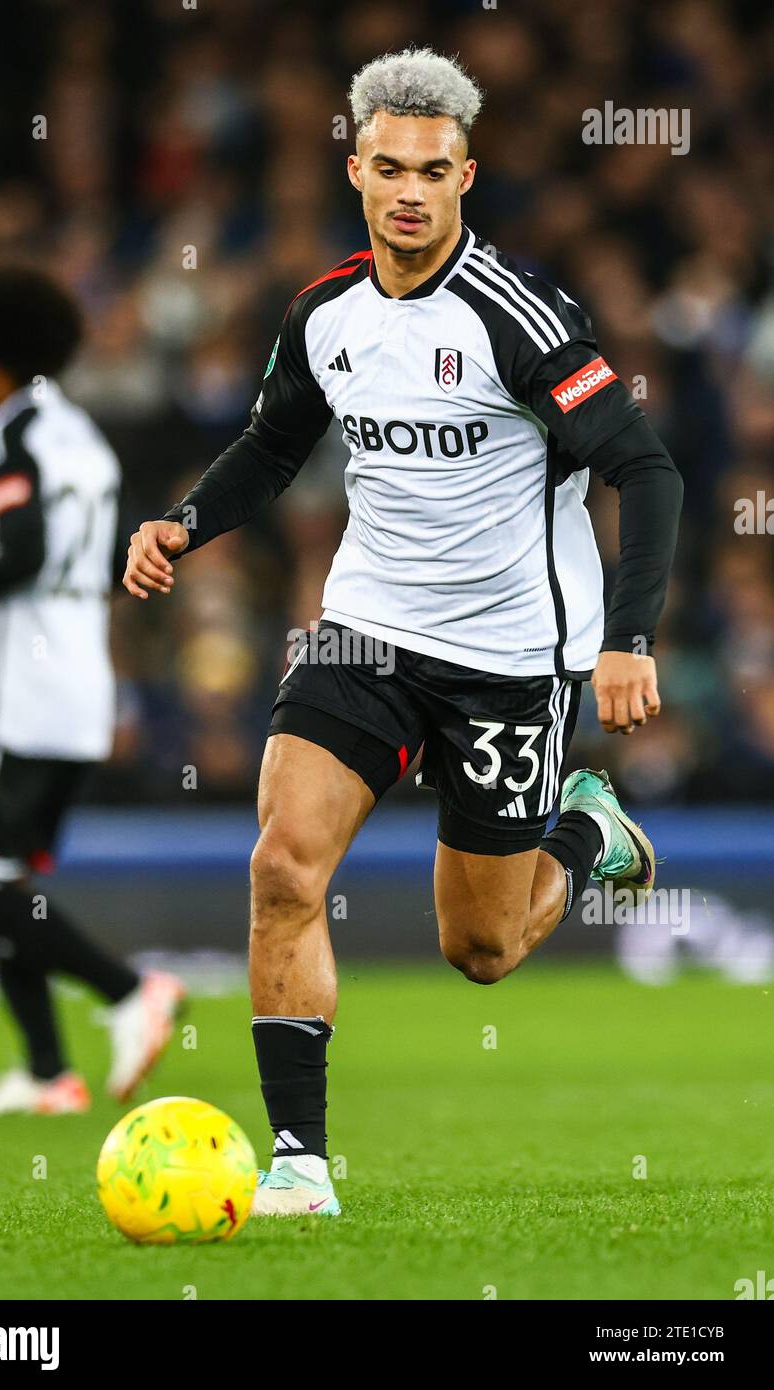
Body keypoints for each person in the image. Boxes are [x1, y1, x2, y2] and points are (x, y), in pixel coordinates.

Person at [123, 48, 683, 1214]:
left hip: (507, 655)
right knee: (282, 865)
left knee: (478, 950)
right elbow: (274, 447)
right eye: (389, 168)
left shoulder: (517, 322)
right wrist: (181, 522)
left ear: (465, 174)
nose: (410, 190)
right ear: (355, 172)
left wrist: (626, 639)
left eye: (434, 169)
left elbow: (644, 465)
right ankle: (299, 1166)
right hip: (365, 626)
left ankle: (586, 832)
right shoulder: (323, 312)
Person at [0, 261, 184, 1116]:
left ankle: (125, 992)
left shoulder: (4, 434)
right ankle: (47, 1074)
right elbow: (112, 557)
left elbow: (25, 546)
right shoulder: (81, 436)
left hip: (12, 694)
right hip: (76, 682)